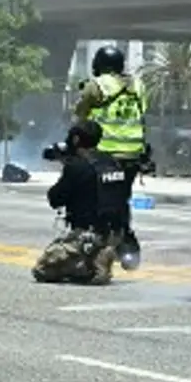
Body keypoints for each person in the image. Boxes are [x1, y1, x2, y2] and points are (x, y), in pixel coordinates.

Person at [73, 45, 148, 268]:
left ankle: (100, 243)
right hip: (132, 155)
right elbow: (141, 111)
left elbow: (80, 117)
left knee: (96, 200)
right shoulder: (138, 85)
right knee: (120, 199)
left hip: (104, 154)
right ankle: (125, 240)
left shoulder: (95, 86)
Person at [32, 121, 130, 286]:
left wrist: (68, 171)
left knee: (42, 270)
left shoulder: (77, 167)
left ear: (76, 139)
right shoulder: (113, 163)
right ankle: (102, 253)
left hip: (87, 234)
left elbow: (55, 199)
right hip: (116, 234)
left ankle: (90, 264)